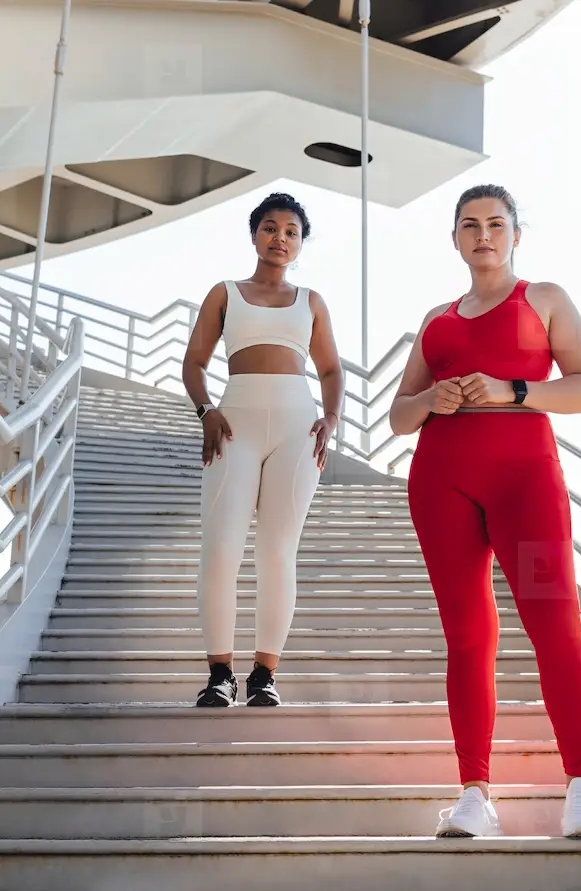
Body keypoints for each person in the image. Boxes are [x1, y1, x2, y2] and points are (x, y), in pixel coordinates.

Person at [389, 184, 581, 839]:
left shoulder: (544, 299)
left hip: (526, 486)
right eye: (469, 225)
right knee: (467, 637)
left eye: (495, 223)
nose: (483, 234)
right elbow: (400, 417)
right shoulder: (436, 320)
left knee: (554, 625)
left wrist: (513, 389)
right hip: (441, 485)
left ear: (515, 233)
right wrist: (435, 395)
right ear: (454, 238)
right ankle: (475, 794)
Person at [182, 192, 343, 708]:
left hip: (298, 428)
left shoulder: (311, 301)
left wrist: (332, 418)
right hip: (235, 426)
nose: (280, 238)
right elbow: (194, 363)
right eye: (270, 228)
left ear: (300, 244)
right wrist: (206, 411)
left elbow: (332, 371)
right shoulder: (225, 293)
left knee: (278, 552)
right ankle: (219, 673)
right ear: (254, 235)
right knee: (222, 549)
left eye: (291, 232)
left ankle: (264, 674)